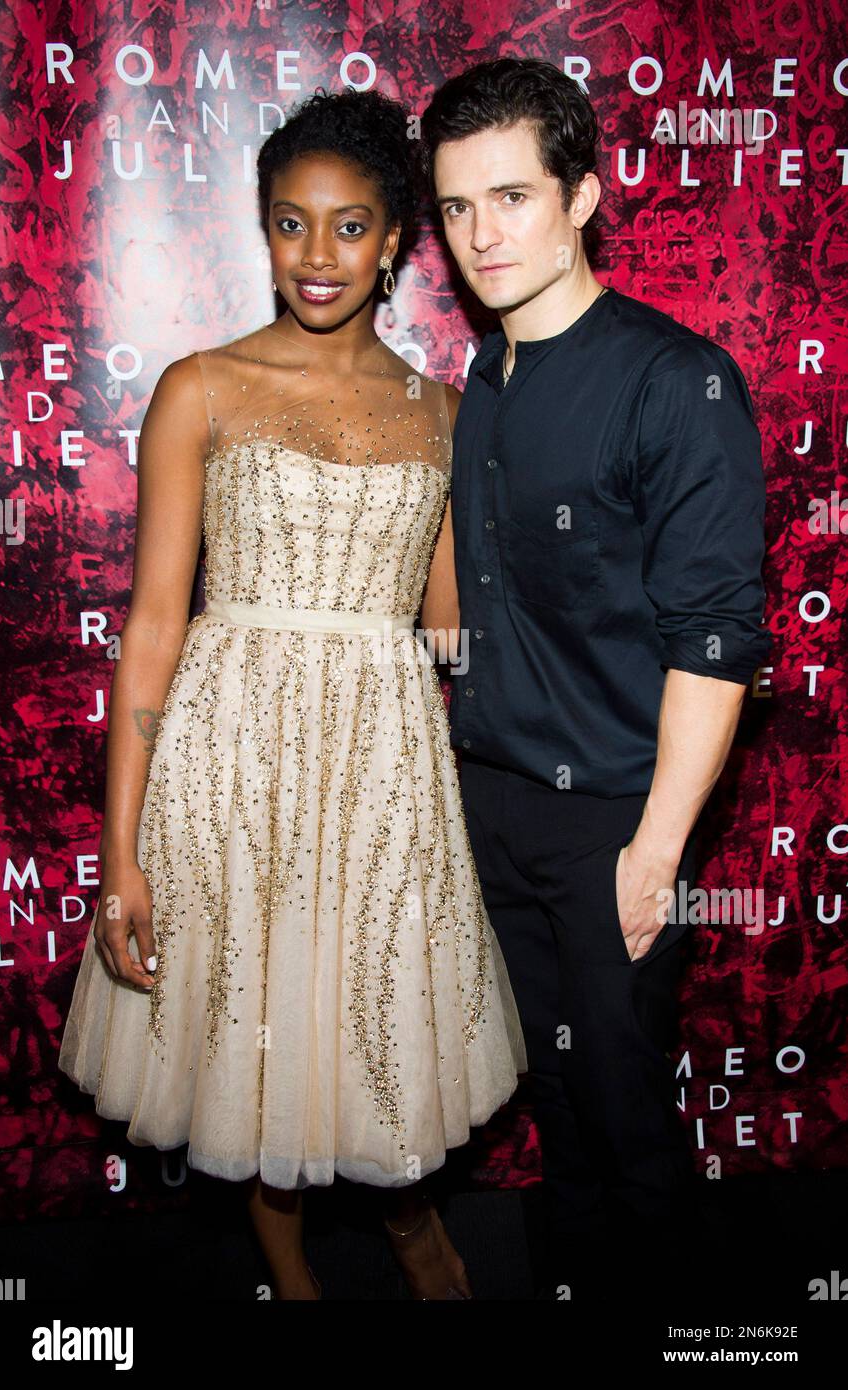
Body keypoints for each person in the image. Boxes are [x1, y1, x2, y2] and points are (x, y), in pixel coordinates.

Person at [57, 85, 527, 1301]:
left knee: (364, 1021)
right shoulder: (199, 387)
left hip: (379, 766)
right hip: (228, 759)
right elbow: (154, 630)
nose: (317, 256)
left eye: (351, 226)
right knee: (250, 1023)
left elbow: (449, 635)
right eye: (290, 222)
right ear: (262, 228)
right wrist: (121, 854)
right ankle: (290, 1270)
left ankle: (414, 1232)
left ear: (394, 243)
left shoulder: (440, 410)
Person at [420, 58, 773, 1297]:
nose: (482, 234)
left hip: (617, 820)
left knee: (624, 1117)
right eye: (458, 207)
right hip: (498, 802)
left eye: (512, 197)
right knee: (555, 1103)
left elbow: (715, 636)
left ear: (583, 194)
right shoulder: (488, 379)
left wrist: (656, 847)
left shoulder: (674, 381)